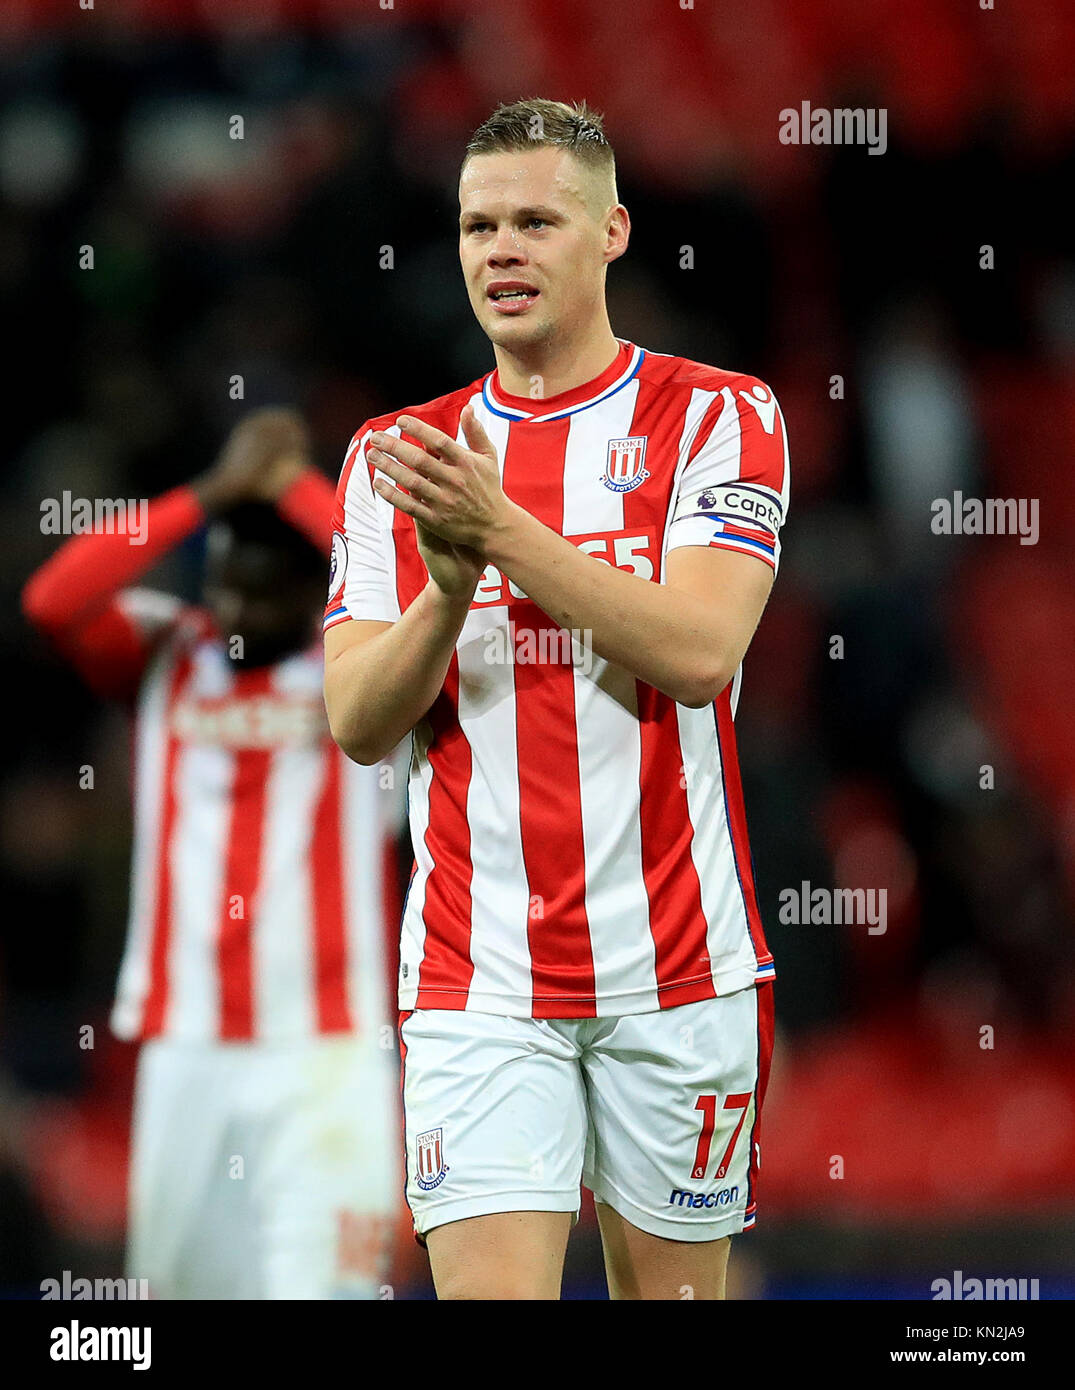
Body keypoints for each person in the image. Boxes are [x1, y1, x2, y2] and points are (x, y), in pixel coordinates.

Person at [323, 98, 789, 1301]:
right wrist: (445, 591)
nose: (501, 251)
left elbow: (697, 650)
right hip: (478, 985)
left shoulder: (718, 416)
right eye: (479, 226)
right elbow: (359, 722)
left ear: (612, 231)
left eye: (537, 219)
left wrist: (501, 533)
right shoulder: (401, 453)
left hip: (680, 970)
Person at [23, 409, 404, 1299]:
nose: (239, 611)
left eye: (266, 592)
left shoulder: (368, 671)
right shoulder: (169, 650)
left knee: (332, 1293)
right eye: (227, 586)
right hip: (185, 1047)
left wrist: (292, 485)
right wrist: (211, 494)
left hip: (329, 1051)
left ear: (318, 594)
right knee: (178, 1300)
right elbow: (53, 600)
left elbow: (410, 570)